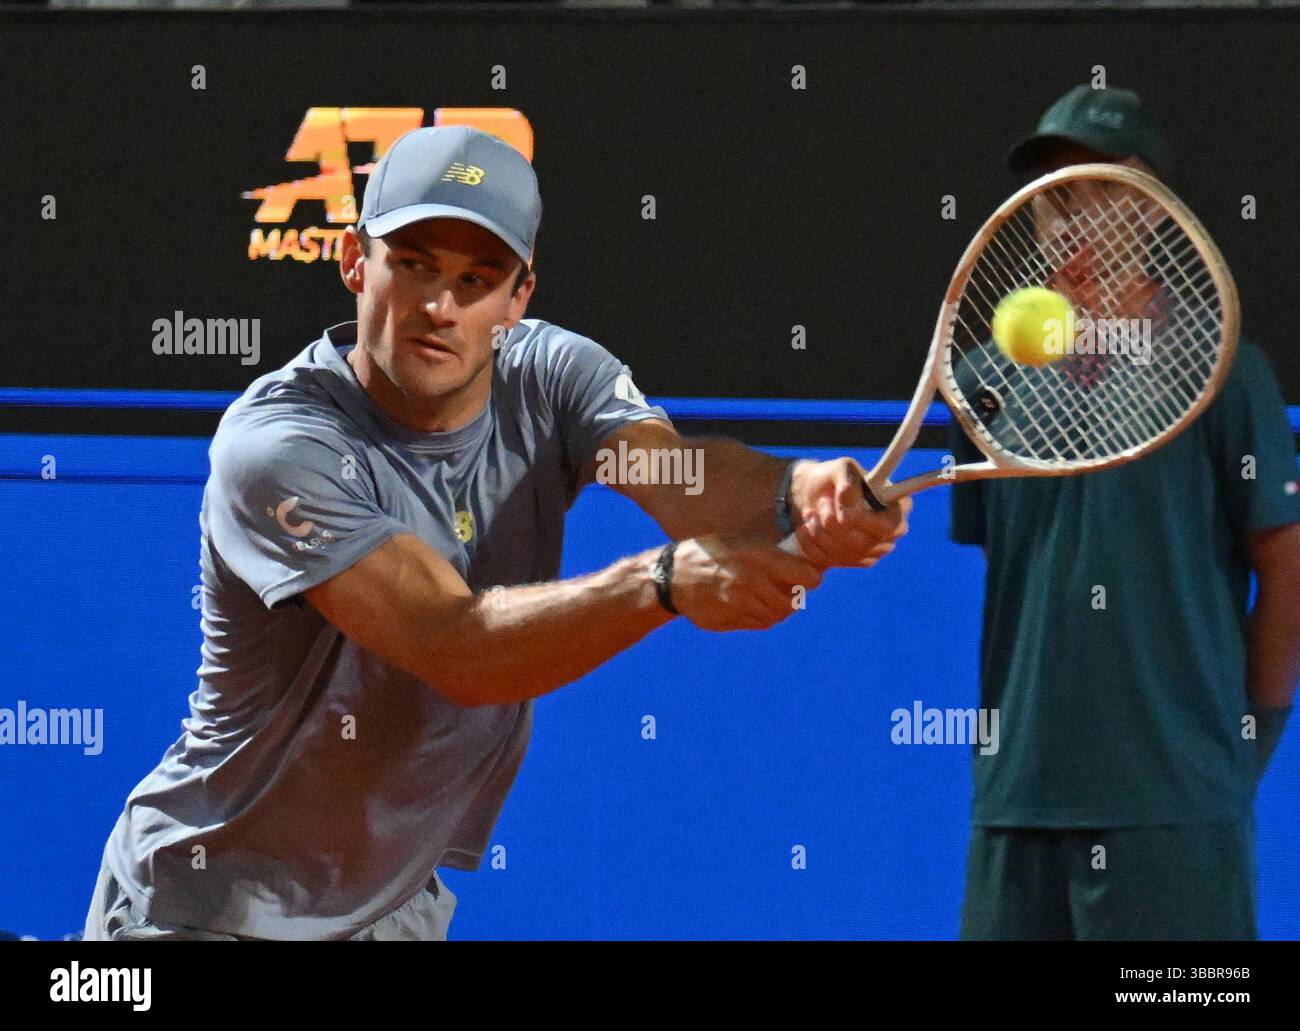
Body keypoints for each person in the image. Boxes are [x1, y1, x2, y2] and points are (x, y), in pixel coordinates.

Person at [82, 125, 908, 941]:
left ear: (518, 298)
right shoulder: (279, 448)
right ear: (352, 262)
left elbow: (671, 473)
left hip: (391, 904)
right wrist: (662, 584)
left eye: (477, 279)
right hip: (210, 903)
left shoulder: (554, 375)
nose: (440, 306)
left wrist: (796, 490)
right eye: (413, 266)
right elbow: (457, 649)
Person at [950, 85, 1300, 941]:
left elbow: (1285, 564)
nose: (1058, 221)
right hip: (1016, 806)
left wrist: (1244, 742)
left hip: (1174, 810)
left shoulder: (1225, 370)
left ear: (1148, 210)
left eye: (1084, 195)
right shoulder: (985, 377)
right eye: (1045, 201)